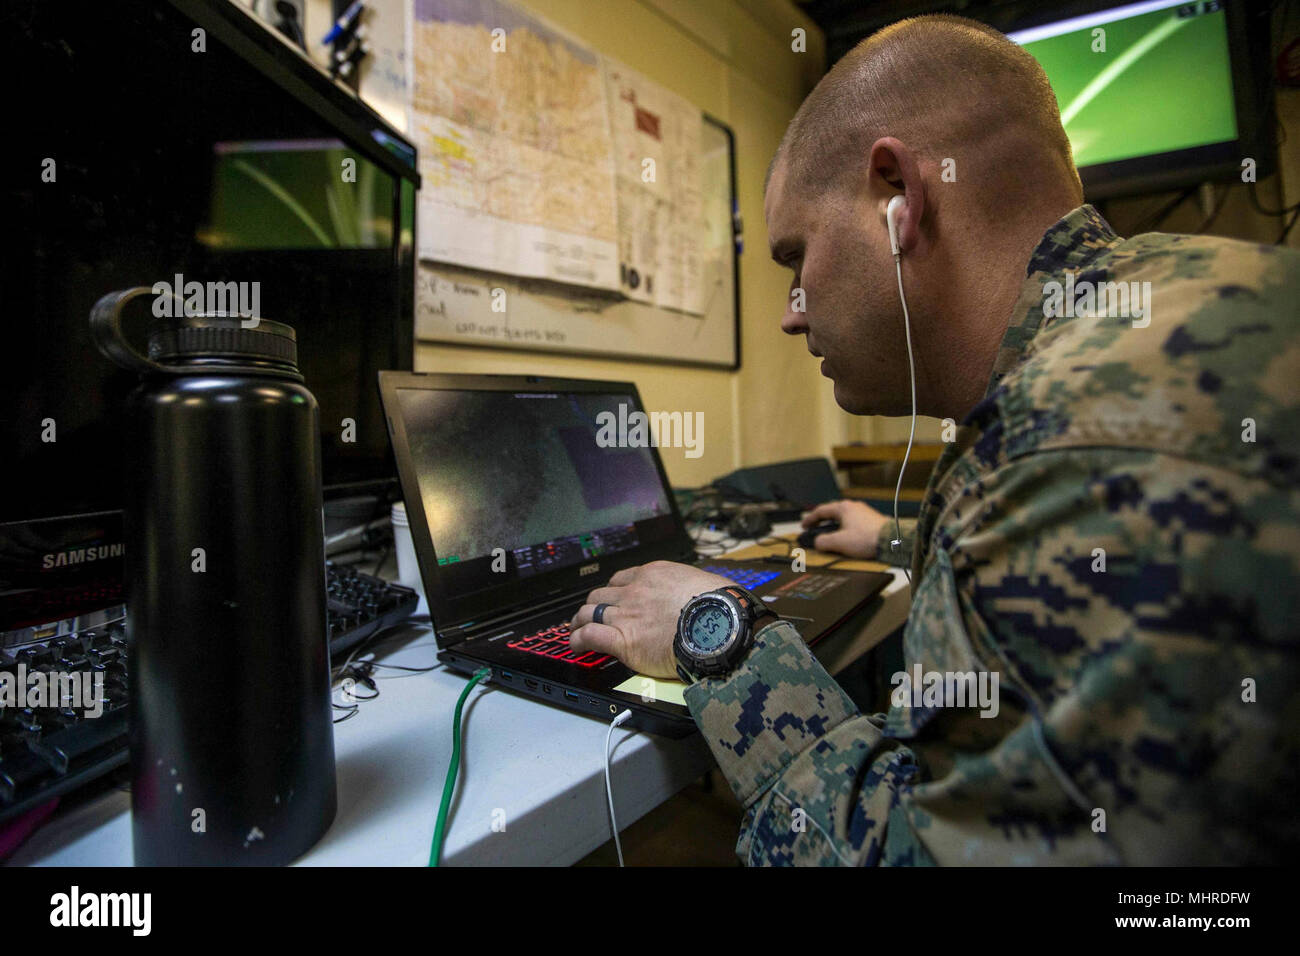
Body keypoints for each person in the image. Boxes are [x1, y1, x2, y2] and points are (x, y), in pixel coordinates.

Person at [569, 14, 1300, 864]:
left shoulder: (1063, 446)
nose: (789, 312)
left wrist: (715, 634)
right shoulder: (1184, 294)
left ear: (896, 196)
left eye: (795, 257)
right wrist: (894, 538)